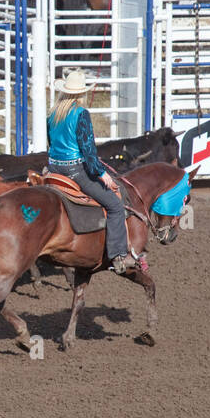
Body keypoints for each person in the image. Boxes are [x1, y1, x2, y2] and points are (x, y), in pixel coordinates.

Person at [46, 68, 135, 274]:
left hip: (54, 168)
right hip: (75, 170)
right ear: (81, 93)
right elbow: (87, 149)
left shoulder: (53, 113)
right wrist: (100, 173)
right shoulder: (81, 113)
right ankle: (118, 255)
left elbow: (51, 144)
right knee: (114, 205)